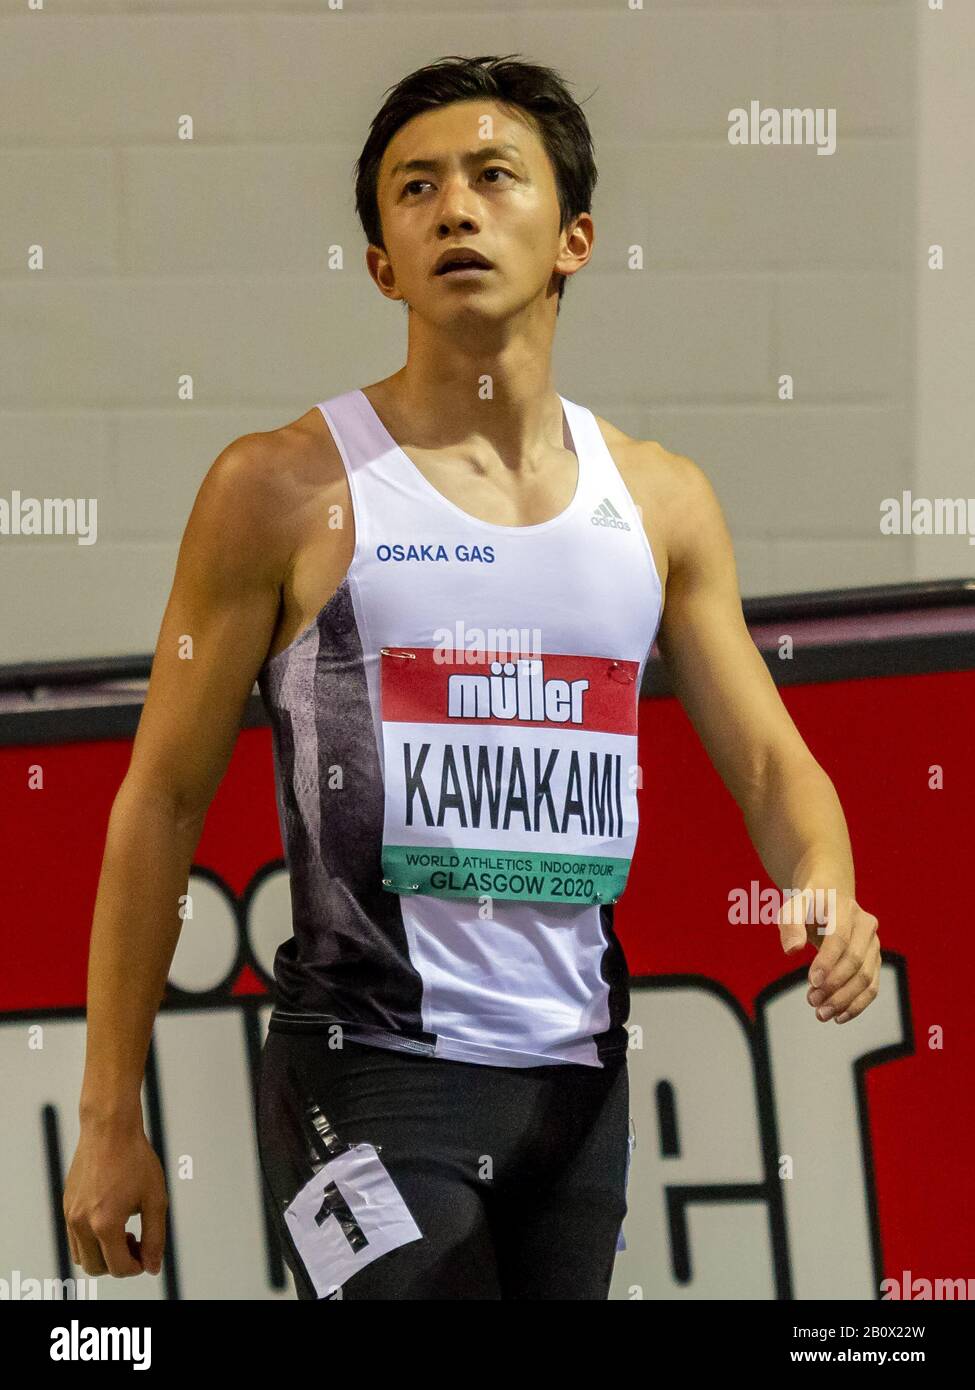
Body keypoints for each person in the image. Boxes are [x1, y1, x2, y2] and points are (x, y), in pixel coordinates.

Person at [63, 53, 881, 1300]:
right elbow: (162, 800)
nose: (455, 207)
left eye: (495, 177)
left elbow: (772, 764)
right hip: (362, 1068)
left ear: (576, 238)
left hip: (576, 1090)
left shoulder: (659, 501)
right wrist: (109, 1113)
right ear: (384, 263)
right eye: (416, 188)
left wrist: (826, 885)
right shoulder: (280, 487)